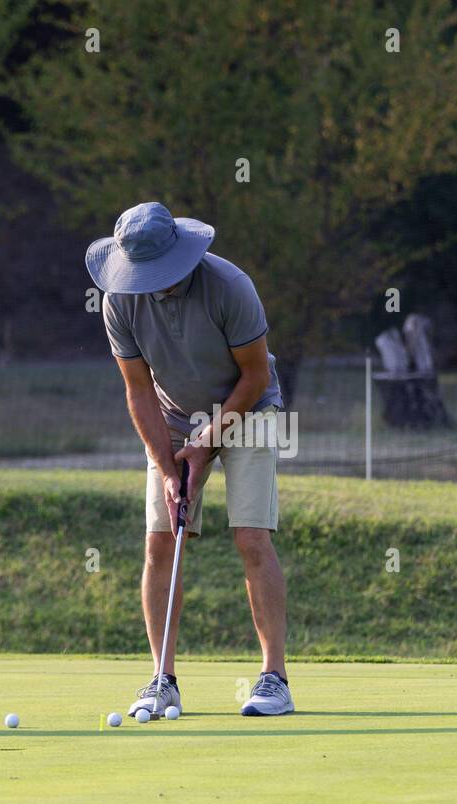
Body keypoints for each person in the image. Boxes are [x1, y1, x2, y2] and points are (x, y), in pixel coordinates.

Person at [85, 202, 294, 717]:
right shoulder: (120, 301)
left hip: (248, 410)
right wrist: (167, 465)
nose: (156, 285)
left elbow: (255, 377)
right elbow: (138, 390)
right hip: (173, 415)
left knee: (250, 535)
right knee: (161, 542)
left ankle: (274, 679)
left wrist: (206, 444)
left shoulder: (230, 286)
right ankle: (162, 678)